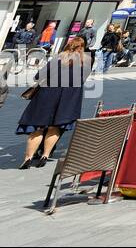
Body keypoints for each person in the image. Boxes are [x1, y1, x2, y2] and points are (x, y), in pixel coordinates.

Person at [17, 36, 92, 169]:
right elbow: (83, 80)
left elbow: (39, 76)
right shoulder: (85, 61)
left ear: (69, 45)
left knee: (38, 128)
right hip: (69, 98)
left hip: (48, 94)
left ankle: (28, 159)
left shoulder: (59, 57)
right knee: (55, 127)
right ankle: (45, 155)